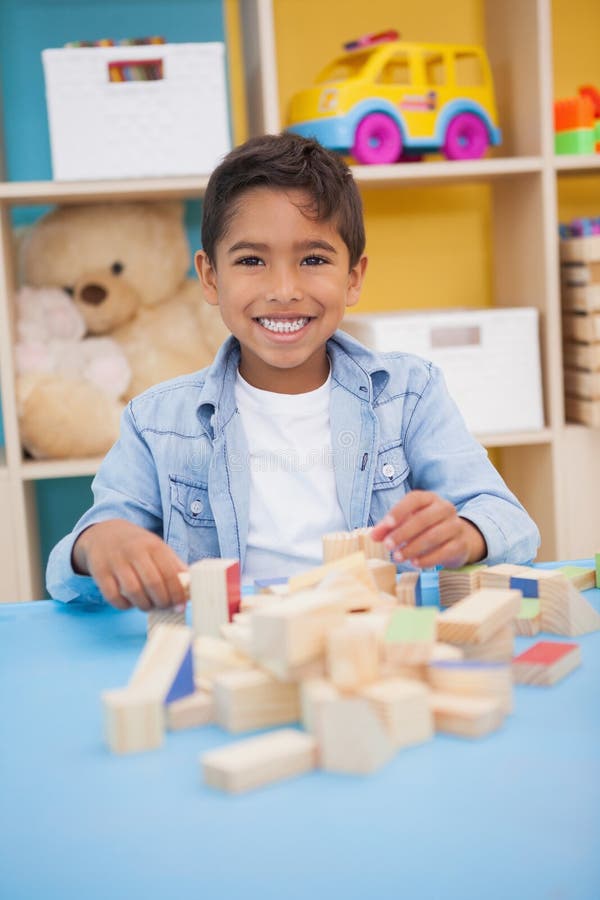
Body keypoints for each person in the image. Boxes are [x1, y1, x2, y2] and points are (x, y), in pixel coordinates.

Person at [46, 132, 540, 611]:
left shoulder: (410, 394)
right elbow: (68, 576)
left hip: (372, 643)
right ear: (210, 276)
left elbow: (510, 523)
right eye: (252, 260)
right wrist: (98, 543)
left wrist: (465, 535)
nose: (284, 289)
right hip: (235, 653)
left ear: (353, 277)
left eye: (313, 259)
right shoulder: (155, 421)